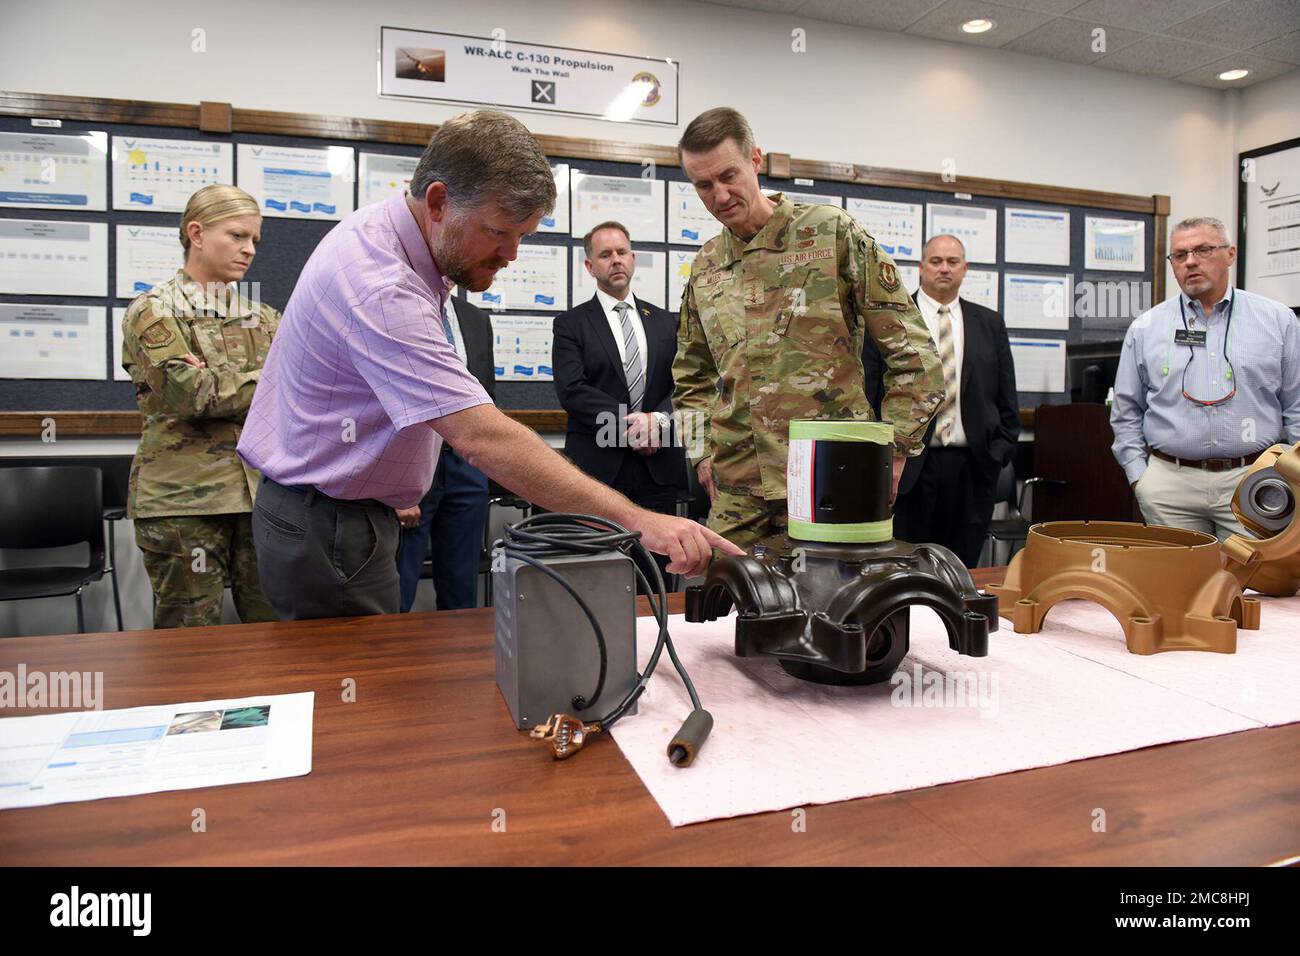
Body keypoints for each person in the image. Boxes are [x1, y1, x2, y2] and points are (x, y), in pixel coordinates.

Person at [238, 110, 740, 620]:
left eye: (522, 235)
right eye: (499, 231)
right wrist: (640, 522)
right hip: (330, 524)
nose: (513, 254)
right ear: (439, 202)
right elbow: (484, 438)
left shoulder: (389, 237)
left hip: (337, 516)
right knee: (351, 685)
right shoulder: (383, 286)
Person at [672, 107, 944, 550]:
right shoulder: (705, 266)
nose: (719, 195)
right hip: (738, 486)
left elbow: (914, 354)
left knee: (838, 608)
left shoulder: (830, 234)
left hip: (834, 473)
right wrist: (701, 454)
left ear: (755, 160)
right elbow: (691, 375)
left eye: (729, 176)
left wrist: (893, 450)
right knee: (726, 603)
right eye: (704, 185)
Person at [121, 184, 280, 628]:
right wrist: (271, 379)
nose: (248, 250)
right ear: (196, 232)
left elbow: (304, 388)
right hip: (183, 503)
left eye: (254, 240)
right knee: (189, 645)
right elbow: (190, 396)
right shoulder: (153, 310)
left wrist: (226, 381)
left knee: (274, 636)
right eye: (236, 236)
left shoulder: (264, 317)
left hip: (260, 497)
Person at [1111, 216, 1300, 542]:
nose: (1191, 262)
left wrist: (1294, 477)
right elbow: (1126, 411)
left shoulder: (1277, 320)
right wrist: (1139, 478)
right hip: (1170, 486)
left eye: (1202, 250)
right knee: (1177, 587)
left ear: (1230, 254)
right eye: (1180, 255)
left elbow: (1296, 405)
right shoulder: (1146, 328)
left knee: (1256, 585)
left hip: (1252, 480)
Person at [863, 235, 1019, 566]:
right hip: (908, 468)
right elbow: (870, 391)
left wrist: (995, 457)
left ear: (964, 269)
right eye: (936, 261)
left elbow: (1007, 400)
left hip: (972, 468)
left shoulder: (989, 324)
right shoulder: (893, 320)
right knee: (906, 570)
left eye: (952, 262)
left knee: (962, 573)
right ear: (921, 269)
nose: (944, 269)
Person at [552, 220, 688, 584]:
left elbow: (684, 386)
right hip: (597, 469)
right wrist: (631, 424)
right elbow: (572, 389)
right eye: (605, 254)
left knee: (656, 575)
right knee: (596, 575)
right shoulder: (571, 324)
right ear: (589, 266)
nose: (616, 261)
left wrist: (656, 423)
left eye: (622, 252)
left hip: (656, 466)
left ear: (633, 258)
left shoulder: (664, 322)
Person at [394, 288, 495, 611]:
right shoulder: (399, 312)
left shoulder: (476, 319)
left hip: (467, 468)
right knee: (399, 586)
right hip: (412, 466)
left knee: (462, 589)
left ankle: (459, 661)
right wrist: (397, 487)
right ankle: (395, 661)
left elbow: (486, 395)